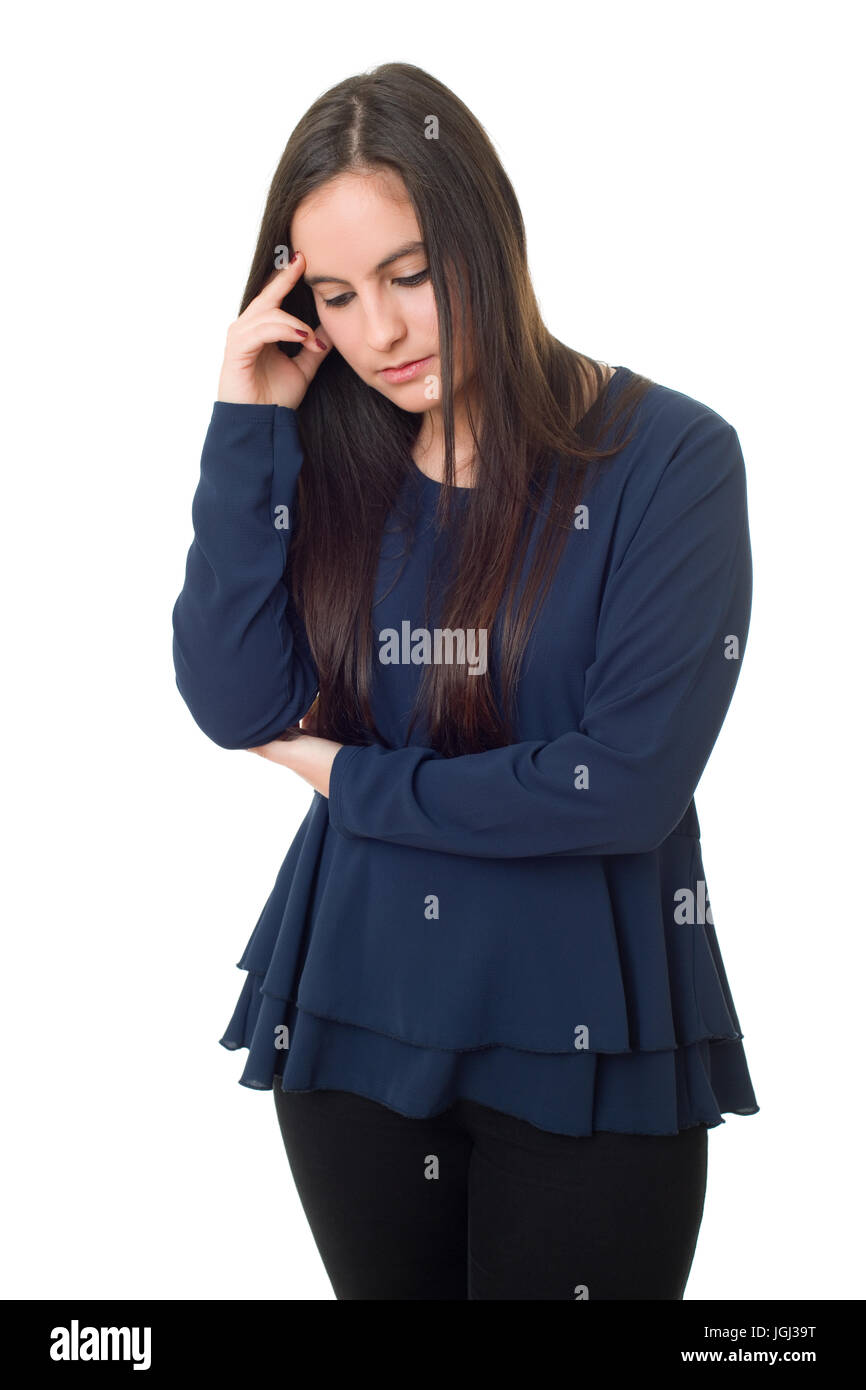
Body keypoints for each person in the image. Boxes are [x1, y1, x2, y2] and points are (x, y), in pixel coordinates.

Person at [171, 62, 759, 1301]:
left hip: (588, 1026)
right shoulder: (329, 449)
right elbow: (236, 701)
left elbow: (619, 788)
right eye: (333, 295)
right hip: (356, 1007)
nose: (376, 333)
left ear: (487, 236)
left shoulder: (672, 461)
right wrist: (246, 428)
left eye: (409, 274)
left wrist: (352, 780)